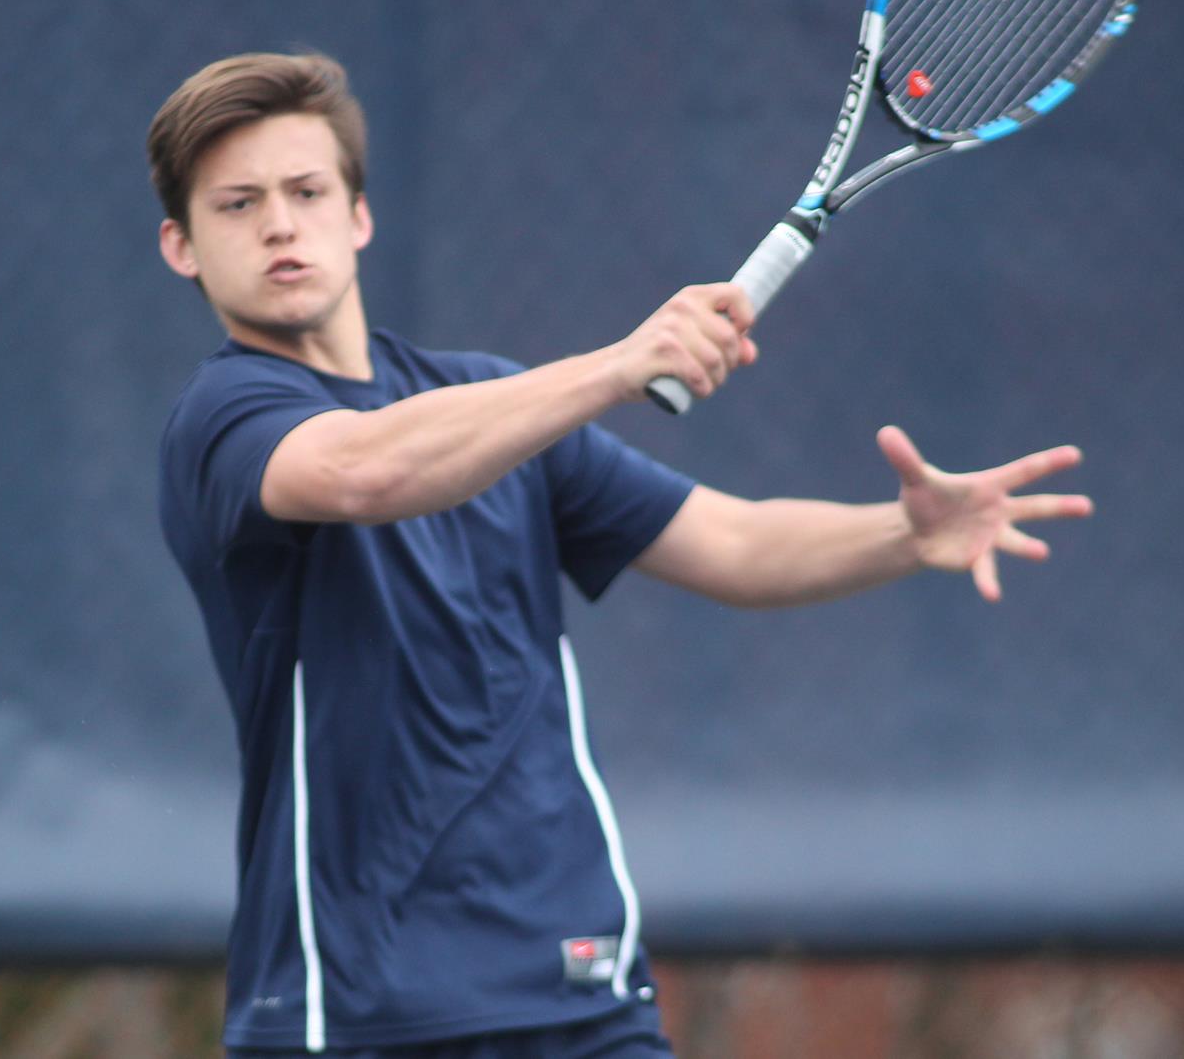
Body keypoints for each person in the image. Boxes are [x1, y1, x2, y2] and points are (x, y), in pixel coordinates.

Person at [150, 52, 1092, 1058]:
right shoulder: (224, 420)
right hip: (354, 1012)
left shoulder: (497, 402)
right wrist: (614, 367)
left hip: (580, 991)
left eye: (305, 192)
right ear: (182, 247)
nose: (280, 225)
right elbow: (359, 472)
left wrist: (904, 535)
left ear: (358, 216)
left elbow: (733, 541)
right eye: (238, 204)